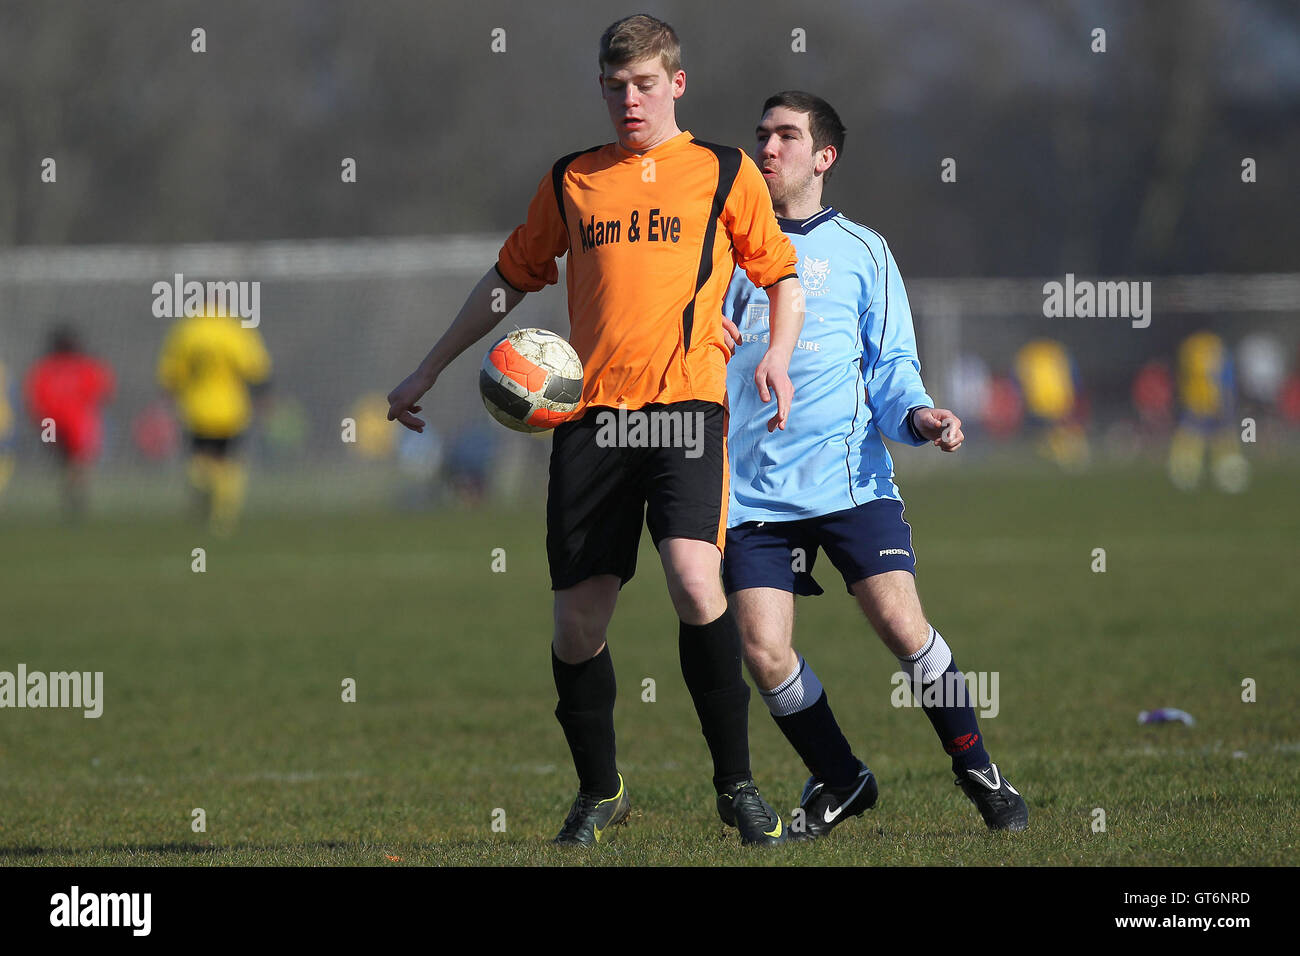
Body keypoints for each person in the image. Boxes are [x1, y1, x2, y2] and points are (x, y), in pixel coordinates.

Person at [386, 15, 804, 846]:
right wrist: (428, 367)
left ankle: (738, 787)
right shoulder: (573, 180)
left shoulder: (724, 172)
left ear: (675, 83)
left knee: (695, 581)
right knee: (577, 627)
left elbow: (780, 275)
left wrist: (777, 356)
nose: (629, 100)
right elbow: (509, 281)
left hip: (688, 410)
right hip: (591, 423)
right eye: (615, 87)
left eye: (644, 84)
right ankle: (600, 789)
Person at [720, 91, 1028, 839]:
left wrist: (921, 418)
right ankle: (841, 776)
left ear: (824, 157)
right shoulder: (723, 249)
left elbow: (892, 369)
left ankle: (978, 767)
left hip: (850, 482)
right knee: (764, 651)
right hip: (752, 493)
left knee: (900, 621)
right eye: (761, 135)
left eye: (786, 137)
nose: (767, 148)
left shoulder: (864, 252)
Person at [157, 296, 271, 535]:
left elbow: (171, 372)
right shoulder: (234, 328)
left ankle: (202, 491)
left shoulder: (187, 330)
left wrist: (169, 397)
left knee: (200, 457)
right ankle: (223, 517)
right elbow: (256, 368)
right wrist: (262, 398)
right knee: (228, 461)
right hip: (231, 408)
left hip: (196, 407)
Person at [23, 326, 116, 518]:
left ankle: (70, 488)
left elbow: (35, 399)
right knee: (79, 460)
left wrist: (41, 423)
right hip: (78, 420)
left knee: (63, 458)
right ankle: (75, 492)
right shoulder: (85, 366)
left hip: (50, 422)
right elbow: (103, 391)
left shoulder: (44, 368)